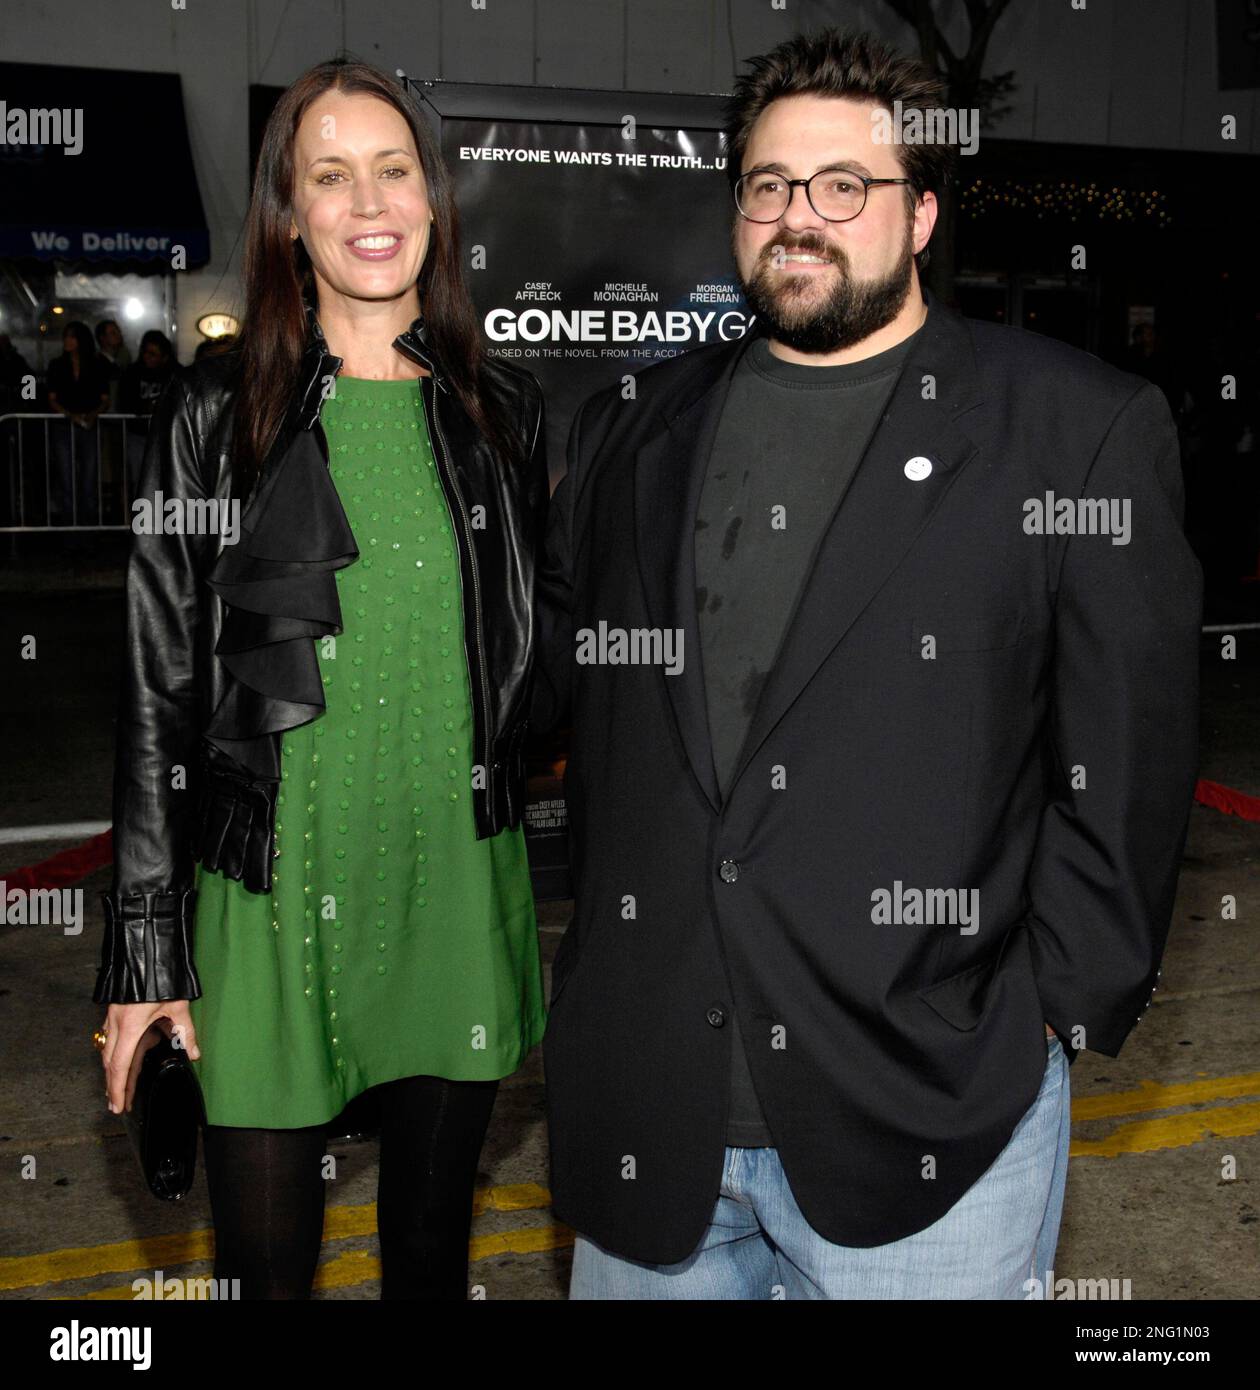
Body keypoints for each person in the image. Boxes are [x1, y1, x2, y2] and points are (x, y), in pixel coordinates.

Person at [533, 28, 1202, 1299]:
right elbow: (552, 692)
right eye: (771, 185)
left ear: (923, 213)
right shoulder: (633, 427)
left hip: (930, 1127)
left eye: (845, 185)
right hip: (653, 1125)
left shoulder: (1072, 431)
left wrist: (1048, 1014)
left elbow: (1126, 765)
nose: (801, 216)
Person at [93, 57, 549, 1300]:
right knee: (265, 1271)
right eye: (329, 175)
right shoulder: (216, 412)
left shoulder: (502, 411)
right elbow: (156, 688)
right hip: (271, 886)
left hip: (453, 881)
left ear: (435, 198)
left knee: (428, 1259)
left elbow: (538, 648)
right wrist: (146, 952)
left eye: (394, 169)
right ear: (290, 214)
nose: (369, 201)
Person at [118, 330, 177, 498]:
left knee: (167, 479)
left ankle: (165, 517)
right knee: (140, 477)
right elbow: (125, 402)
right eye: (145, 352)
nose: (147, 357)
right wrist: (146, 407)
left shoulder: (174, 374)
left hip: (166, 436)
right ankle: (144, 518)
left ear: (164, 356)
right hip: (138, 434)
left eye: (153, 354)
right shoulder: (133, 372)